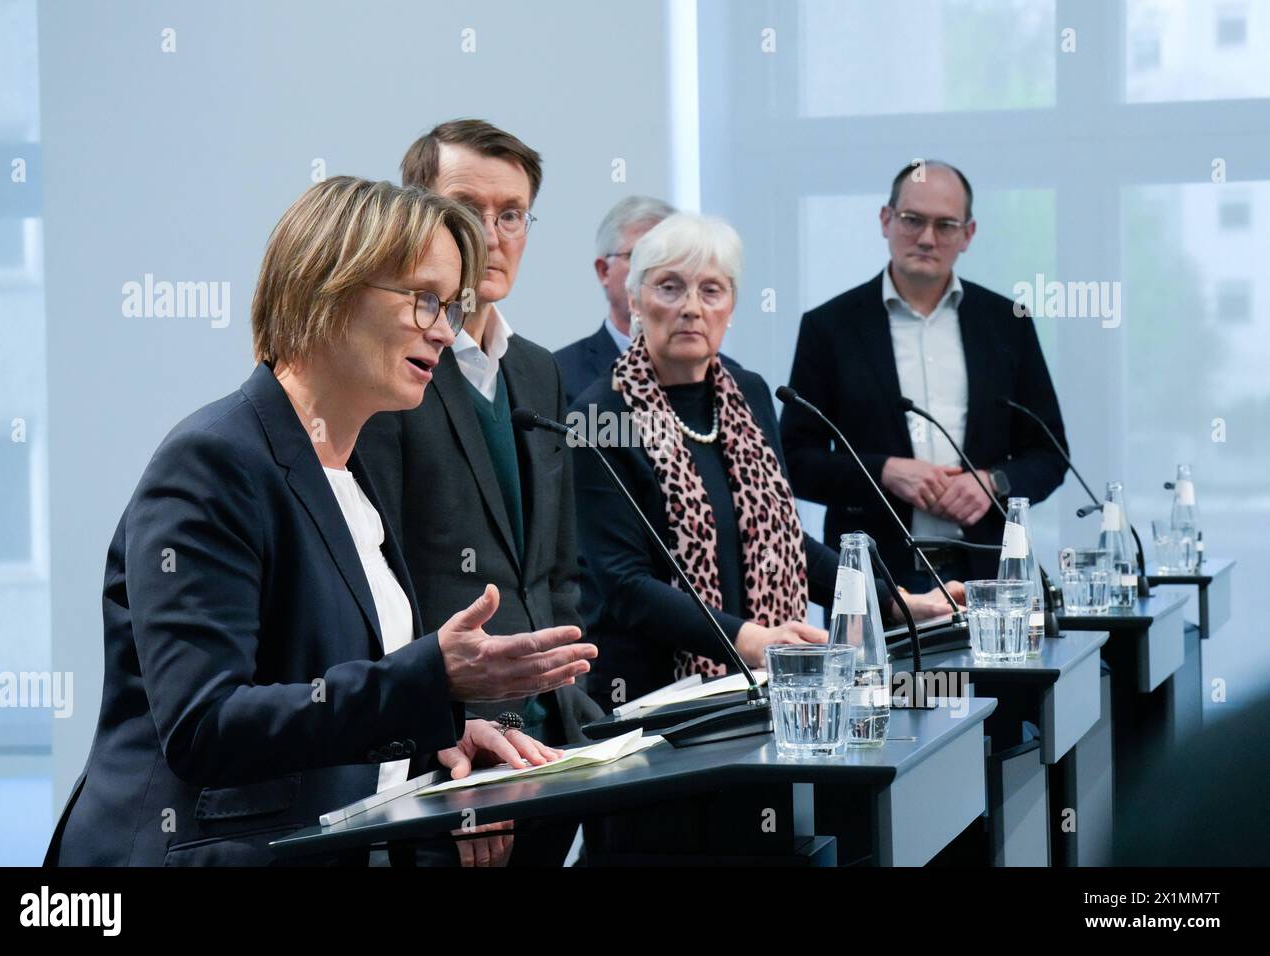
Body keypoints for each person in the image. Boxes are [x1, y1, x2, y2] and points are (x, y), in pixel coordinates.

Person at [44, 177, 595, 867]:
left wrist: (441, 739)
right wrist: (430, 680)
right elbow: (206, 724)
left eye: (451, 307)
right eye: (423, 299)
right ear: (328, 289)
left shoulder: (352, 476)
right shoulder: (213, 460)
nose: (444, 330)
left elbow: (326, 689)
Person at [571, 213, 963, 708]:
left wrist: (893, 601)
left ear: (731, 307)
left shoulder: (748, 392)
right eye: (670, 288)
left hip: (763, 688)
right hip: (655, 699)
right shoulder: (599, 412)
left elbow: (781, 539)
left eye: (711, 291)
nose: (691, 308)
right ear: (634, 300)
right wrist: (751, 640)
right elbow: (625, 584)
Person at [355, 120, 598, 865]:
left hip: (551, 745)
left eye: (512, 214)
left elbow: (553, 569)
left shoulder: (537, 369)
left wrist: (576, 715)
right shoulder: (393, 368)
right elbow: (382, 584)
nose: (491, 235)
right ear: (417, 216)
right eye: (466, 208)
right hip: (454, 757)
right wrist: (443, 744)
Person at [781, 160, 1069, 589]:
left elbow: (1050, 454)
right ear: (885, 220)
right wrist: (884, 471)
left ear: (968, 234)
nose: (927, 238)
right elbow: (796, 463)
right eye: (912, 220)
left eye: (946, 225)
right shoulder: (830, 328)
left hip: (989, 576)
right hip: (875, 581)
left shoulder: (1007, 323)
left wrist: (993, 483)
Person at [554, 195, 675, 405]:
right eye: (639, 256)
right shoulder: (558, 376)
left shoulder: (729, 380)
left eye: (669, 258)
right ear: (604, 271)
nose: (658, 271)